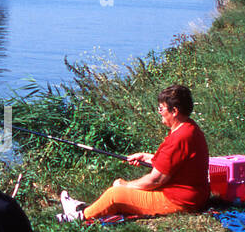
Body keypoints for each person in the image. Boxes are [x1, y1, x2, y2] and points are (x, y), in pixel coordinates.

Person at [58, 84, 209, 221]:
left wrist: (125, 185)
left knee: (115, 194)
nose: (159, 112)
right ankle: (86, 209)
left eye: (161, 108)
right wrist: (145, 157)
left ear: (174, 111)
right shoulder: (188, 128)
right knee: (119, 188)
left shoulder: (180, 137)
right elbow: (172, 162)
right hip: (192, 196)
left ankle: (78, 216)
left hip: (181, 201)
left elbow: (155, 180)